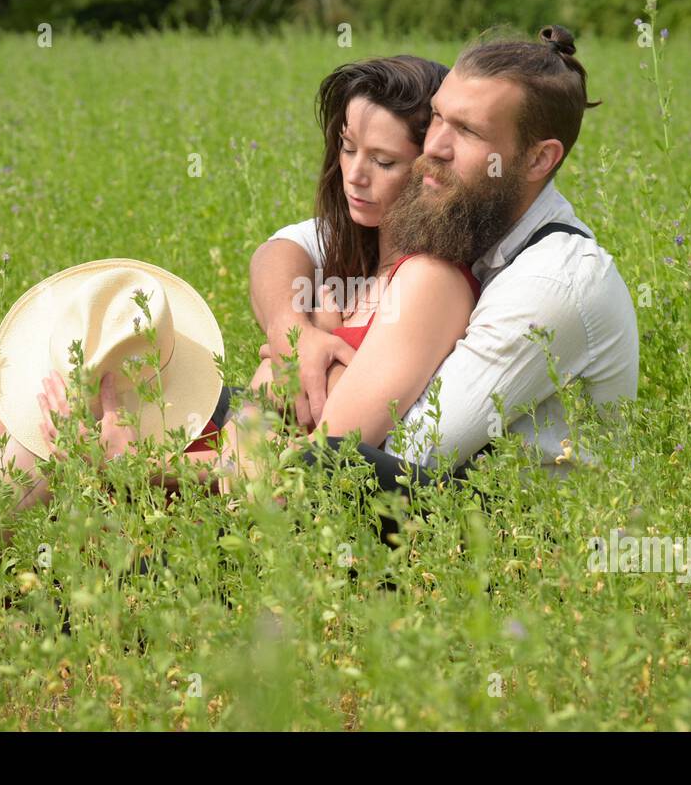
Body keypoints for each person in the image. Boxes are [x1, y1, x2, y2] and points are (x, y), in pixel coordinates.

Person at [0, 53, 491, 560]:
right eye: (347, 147)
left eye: (382, 161)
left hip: (267, 502)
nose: (354, 174)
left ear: (428, 169)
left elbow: (318, 469)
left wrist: (126, 458)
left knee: (51, 431)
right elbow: (279, 257)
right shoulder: (352, 261)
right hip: (236, 459)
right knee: (34, 389)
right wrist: (290, 336)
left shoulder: (427, 279)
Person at [251, 25, 640, 487]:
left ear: (539, 160)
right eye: (437, 117)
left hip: (528, 538)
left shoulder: (552, 283)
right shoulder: (462, 210)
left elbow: (412, 447)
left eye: (468, 131)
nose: (433, 147)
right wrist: (291, 332)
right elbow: (287, 247)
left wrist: (315, 365)